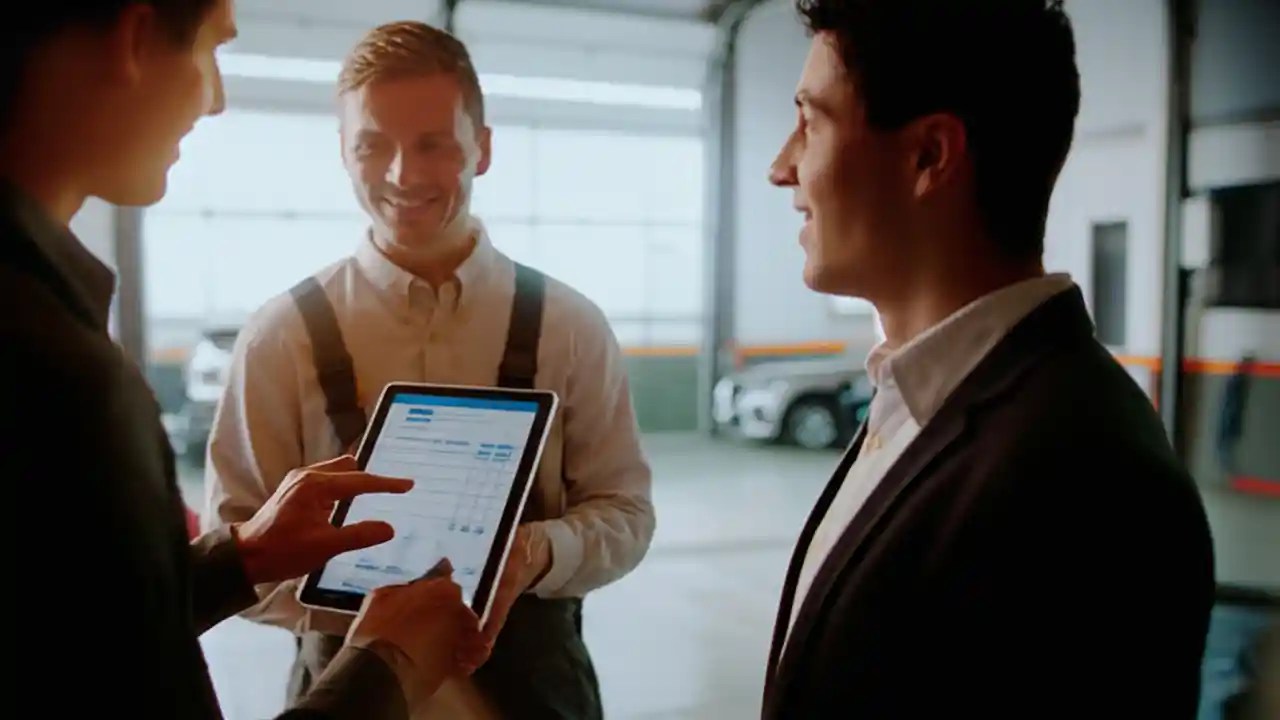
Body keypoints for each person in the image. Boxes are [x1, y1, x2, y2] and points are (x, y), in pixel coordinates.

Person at [2, 2, 488, 718]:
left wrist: (241, 558)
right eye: (212, 49)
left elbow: (78, 639)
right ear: (135, 40)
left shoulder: (43, 333)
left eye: (433, 143)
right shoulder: (54, 377)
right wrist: (387, 666)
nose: (216, 98)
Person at [762, 0, 1216, 717]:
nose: (781, 168)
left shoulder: (1090, 479)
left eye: (810, 122)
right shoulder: (922, 401)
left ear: (929, 157)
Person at [202, 20, 654, 719]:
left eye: (432, 144)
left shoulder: (570, 325)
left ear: (484, 147)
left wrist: (532, 553)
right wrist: (366, 601)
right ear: (343, 154)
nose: (402, 175)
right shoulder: (279, 337)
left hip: (540, 695)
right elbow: (235, 545)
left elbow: (626, 515)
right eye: (372, 145)